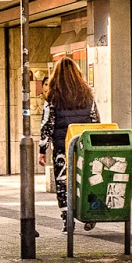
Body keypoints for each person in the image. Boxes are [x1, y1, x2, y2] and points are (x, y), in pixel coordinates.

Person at [39, 57, 99, 219]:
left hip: (62, 147)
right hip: (84, 147)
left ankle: (67, 218)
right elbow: (95, 120)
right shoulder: (87, 95)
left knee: (62, 182)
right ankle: (89, 212)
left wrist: (42, 149)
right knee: (86, 179)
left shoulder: (52, 97)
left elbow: (47, 124)